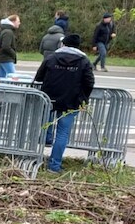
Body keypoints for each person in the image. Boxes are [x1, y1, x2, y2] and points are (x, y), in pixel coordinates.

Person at [35, 33, 94, 173]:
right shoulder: (84, 61)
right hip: (72, 101)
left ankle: (34, 159)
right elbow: (89, 82)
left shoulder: (51, 57)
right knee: (62, 134)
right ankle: (54, 166)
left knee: (43, 129)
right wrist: (83, 98)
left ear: (63, 44)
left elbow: (39, 77)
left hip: (49, 99)